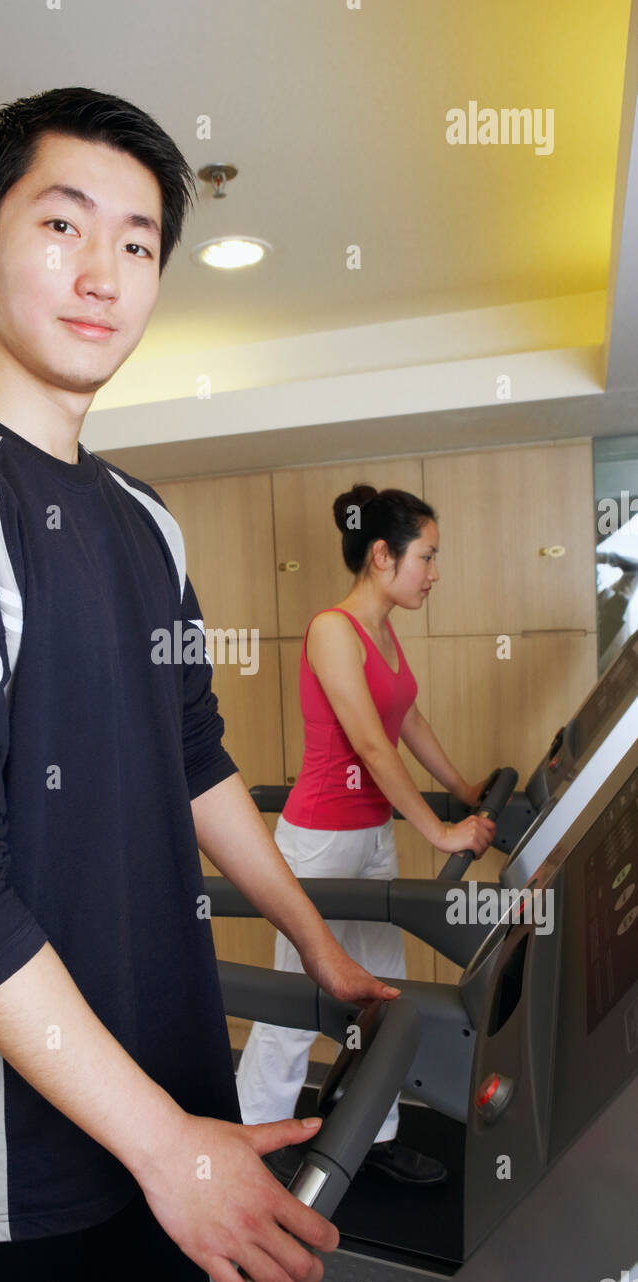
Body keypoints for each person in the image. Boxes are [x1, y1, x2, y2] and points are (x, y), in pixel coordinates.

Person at [0, 88, 403, 1282]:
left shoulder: (143, 520)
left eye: (136, 244)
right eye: (63, 226)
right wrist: (159, 1142)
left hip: (171, 1092)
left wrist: (312, 939)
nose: (103, 275)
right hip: (13, 1157)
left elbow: (195, 754)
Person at [236, 484, 496, 1183]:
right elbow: (373, 750)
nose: (434, 572)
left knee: (383, 993)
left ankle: (376, 1137)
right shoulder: (332, 629)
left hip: (370, 836)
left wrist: (467, 789)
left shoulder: (385, 631)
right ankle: (253, 1142)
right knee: (298, 1002)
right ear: (383, 555)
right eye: (427, 556)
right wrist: (442, 833)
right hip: (319, 843)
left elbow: (407, 722)